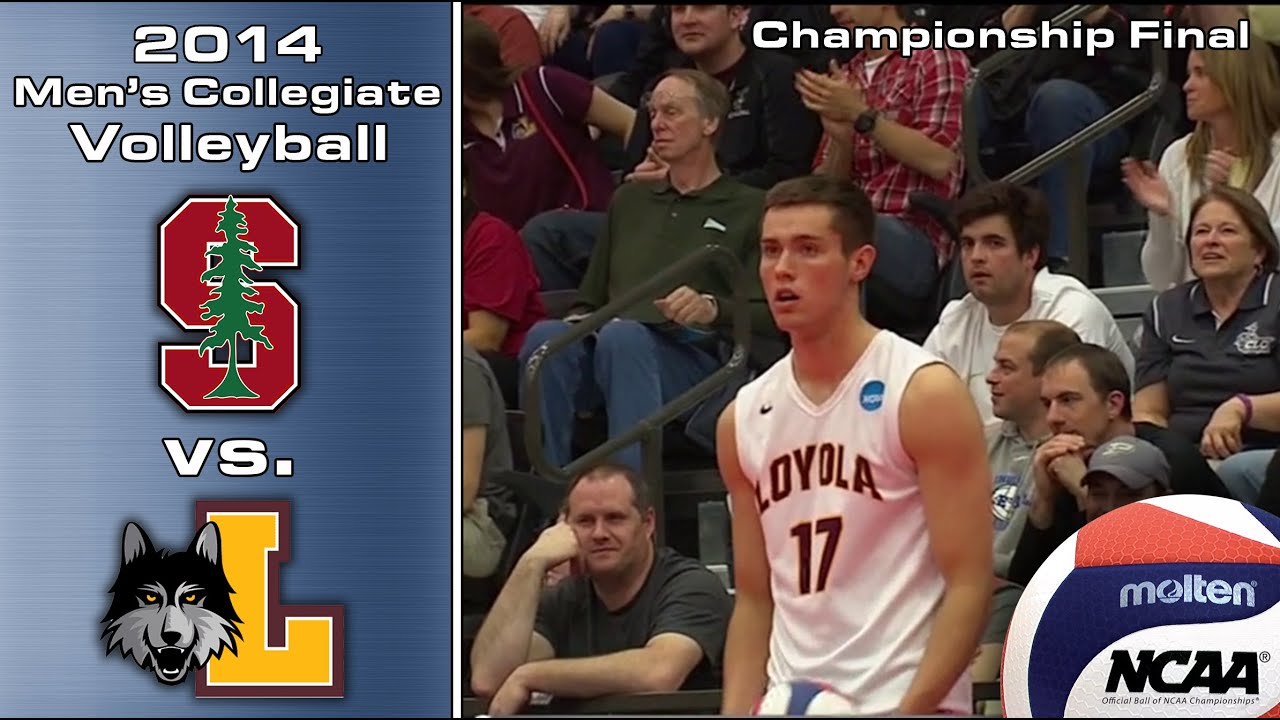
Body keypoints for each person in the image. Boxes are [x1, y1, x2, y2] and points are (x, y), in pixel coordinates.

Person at [716, 175, 993, 716]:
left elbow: (970, 583)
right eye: (771, 251)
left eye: (808, 249)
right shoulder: (743, 418)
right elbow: (753, 599)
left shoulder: (921, 392)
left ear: (860, 263)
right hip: (790, 700)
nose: (782, 269)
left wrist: (910, 711)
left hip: (907, 701)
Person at [469, 464, 732, 715]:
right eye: (584, 521)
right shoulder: (565, 598)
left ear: (648, 523)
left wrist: (532, 675)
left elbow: (659, 671)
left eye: (615, 518)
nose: (599, 533)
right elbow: (489, 679)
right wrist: (531, 562)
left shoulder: (690, 585)